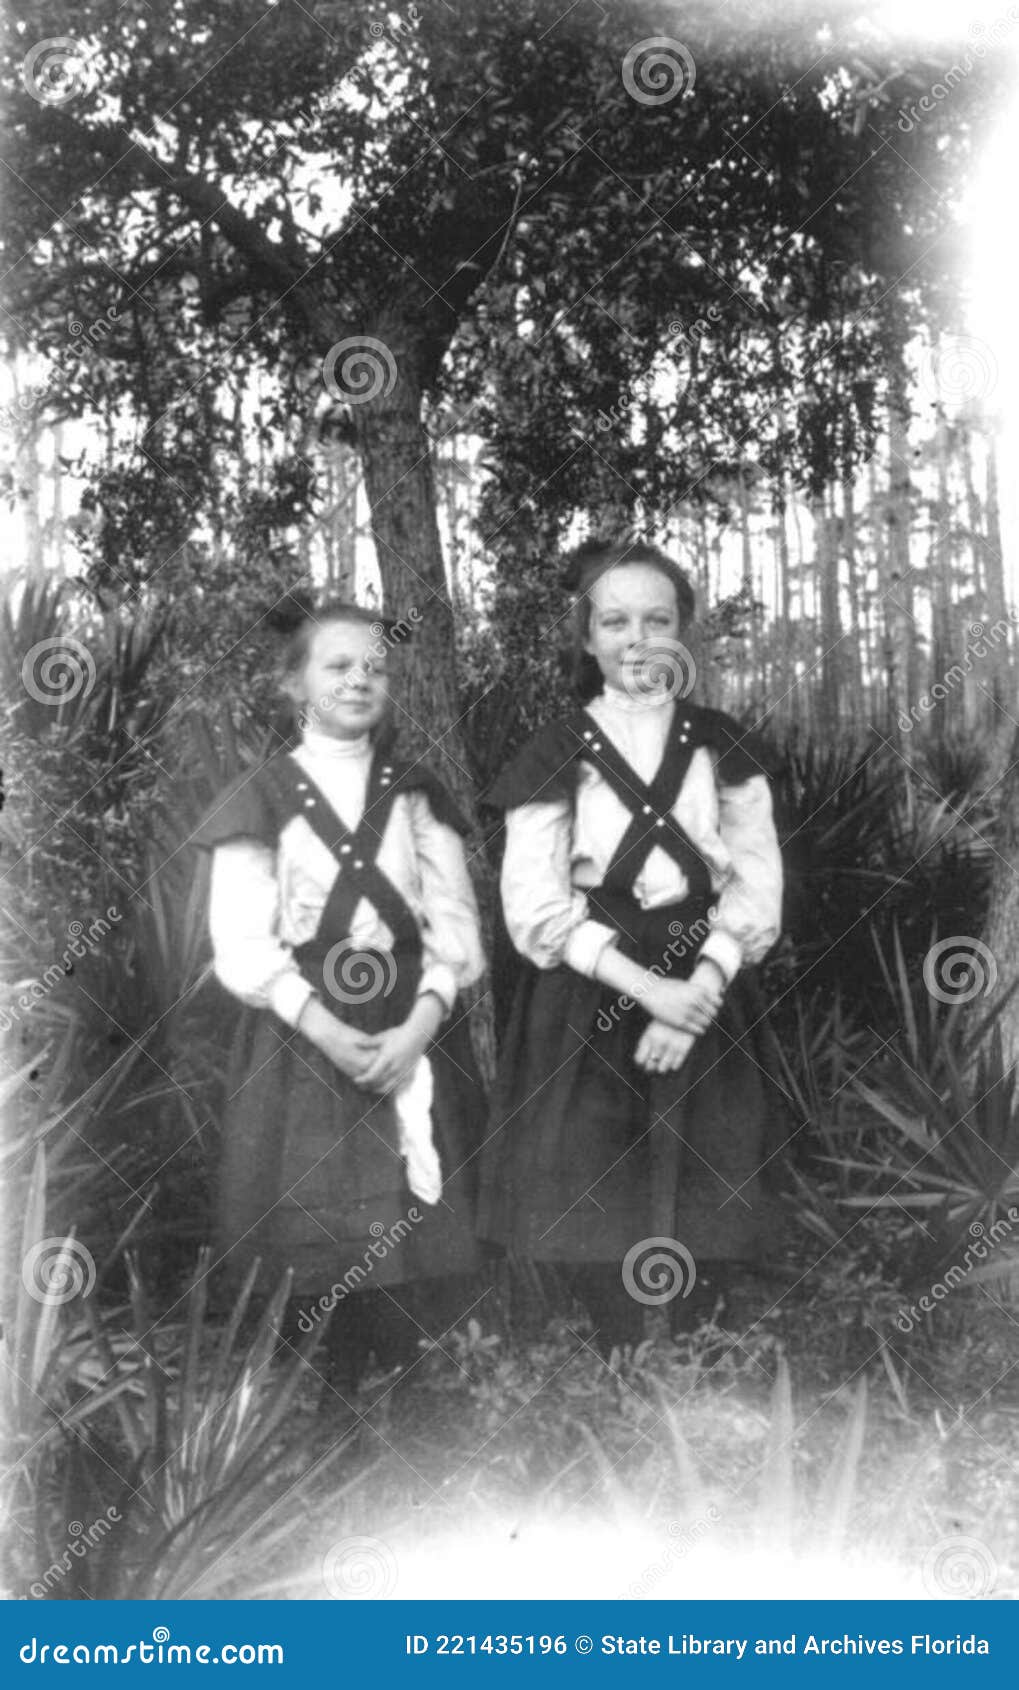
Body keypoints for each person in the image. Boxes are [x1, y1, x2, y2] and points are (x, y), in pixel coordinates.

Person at [478, 538, 785, 1352]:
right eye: (614, 621)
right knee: (591, 1180)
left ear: (684, 630)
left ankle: (696, 1354)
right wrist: (648, 994)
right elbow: (535, 905)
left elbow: (755, 886)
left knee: (708, 1175)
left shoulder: (723, 746)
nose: (637, 639)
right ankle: (613, 1362)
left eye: (657, 619)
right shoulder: (554, 750)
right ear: (586, 638)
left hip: (706, 976)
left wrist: (693, 997)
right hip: (590, 988)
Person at [191, 595, 486, 1399]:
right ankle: (325, 1409)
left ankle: (416, 1406)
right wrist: (325, 1029)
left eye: (375, 668)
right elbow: (242, 941)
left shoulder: (415, 793)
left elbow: (453, 927)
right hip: (301, 1043)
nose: (360, 680)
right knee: (312, 1217)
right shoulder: (263, 794)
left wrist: (419, 1028)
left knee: (411, 1222)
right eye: (339, 665)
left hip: (409, 1027)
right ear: (294, 684)